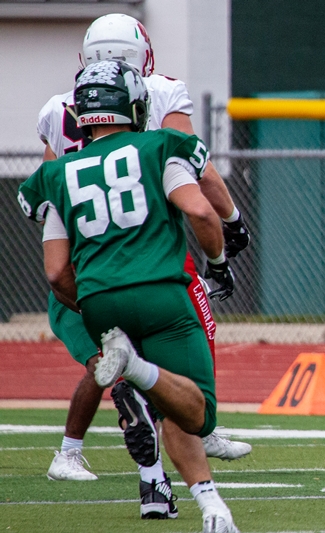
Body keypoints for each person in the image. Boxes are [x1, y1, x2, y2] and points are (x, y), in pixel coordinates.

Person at [37, 13, 251, 519]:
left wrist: (80, 294)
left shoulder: (55, 119)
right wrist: (226, 239)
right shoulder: (159, 121)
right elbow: (201, 194)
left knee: (116, 366)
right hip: (155, 260)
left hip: (87, 269)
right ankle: (201, 456)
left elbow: (51, 220)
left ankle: (150, 484)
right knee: (184, 388)